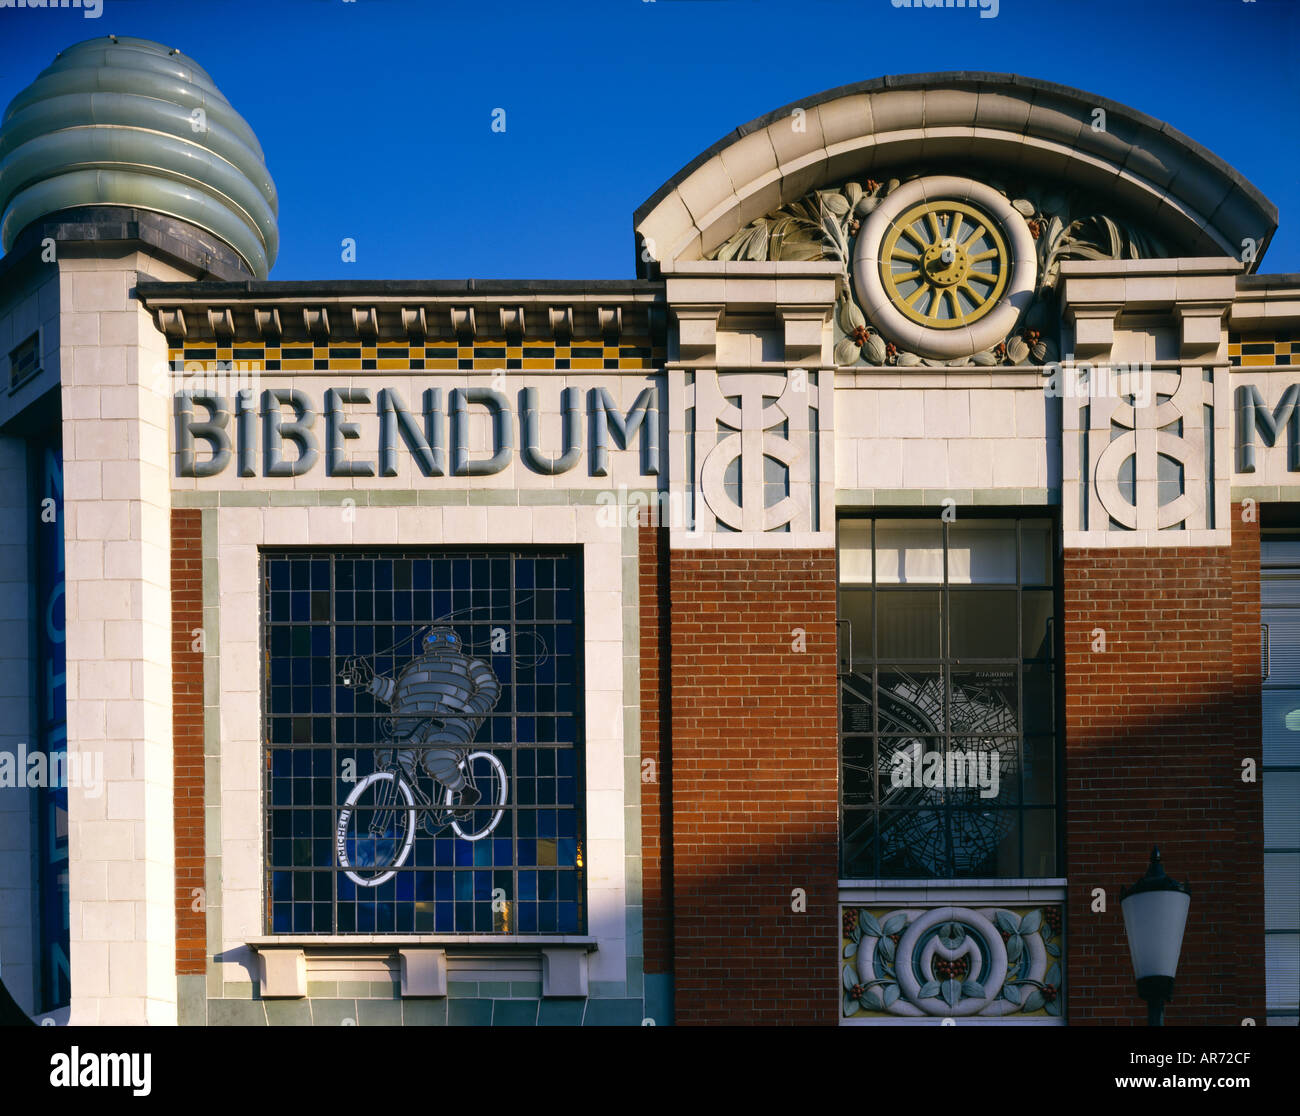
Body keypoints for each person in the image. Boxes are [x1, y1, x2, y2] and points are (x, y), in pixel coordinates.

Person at [342, 626, 501, 829]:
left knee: (438, 758)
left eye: (446, 637)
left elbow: (489, 688)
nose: (439, 641)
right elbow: (396, 694)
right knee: (392, 756)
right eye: (433, 637)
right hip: (410, 720)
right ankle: (417, 805)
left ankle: (466, 791)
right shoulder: (413, 667)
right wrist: (370, 681)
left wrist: (469, 710)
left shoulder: (471, 664)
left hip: (450, 720)